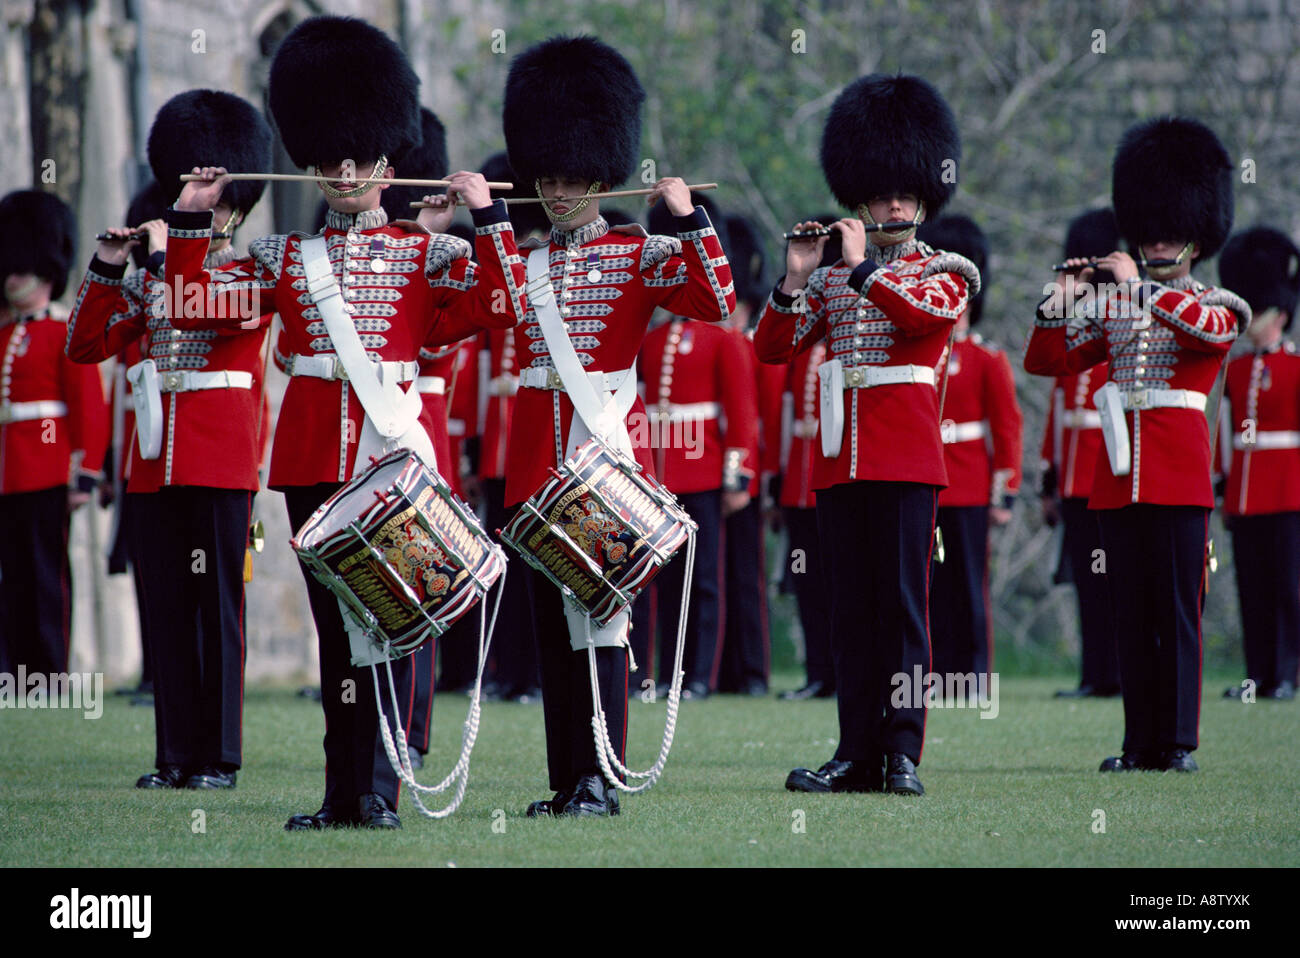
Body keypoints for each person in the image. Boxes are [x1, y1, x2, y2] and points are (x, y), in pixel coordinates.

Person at [164, 15, 526, 829]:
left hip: (389, 452)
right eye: (330, 159)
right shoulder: (286, 258)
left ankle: (381, 792)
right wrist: (191, 217)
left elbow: (499, 310)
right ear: (314, 163)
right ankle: (342, 794)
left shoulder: (425, 252)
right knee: (338, 634)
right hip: (310, 459)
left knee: (390, 620)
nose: (344, 172)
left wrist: (490, 221)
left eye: (358, 160)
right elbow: (190, 306)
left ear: (386, 164)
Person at [501, 34, 734, 817]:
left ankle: (601, 778)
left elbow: (715, 301)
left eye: (574, 176)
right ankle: (566, 779)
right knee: (551, 639)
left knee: (601, 628)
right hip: (536, 466)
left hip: (603, 456)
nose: (561, 190)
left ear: (601, 175)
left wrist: (689, 217)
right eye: (550, 177)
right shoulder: (527, 262)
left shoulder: (638, 254)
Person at [756, 74, 979, 796]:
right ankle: (855, 751)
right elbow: (771, 349)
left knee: (905, 614)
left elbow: (917, 319)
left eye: (905, 193)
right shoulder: (831, 277)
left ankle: (903, 751)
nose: (894, 203)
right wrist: (794, 280)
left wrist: (856, 269)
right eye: (882, 193)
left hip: (909, 463)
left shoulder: (945, 273)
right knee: (850, 617)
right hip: (840, 464)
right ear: (860, 196)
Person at [1025, 116, 1247, 773]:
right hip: (1119, 478)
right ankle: (1138, 741)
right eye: (1150, 228)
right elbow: (1048, 361)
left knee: (1176, 614)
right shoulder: (1119, 308)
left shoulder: (1219, 300)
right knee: (1131, 613)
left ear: (1197, 236)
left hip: (1178, 477)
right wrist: (1059, 299)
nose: (1157, 240)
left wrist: (1136, 289)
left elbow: (1206, 333)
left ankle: (1176, 741)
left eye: (1171, 229)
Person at [67, 90, 273, 791]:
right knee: (168, 615)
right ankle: (175, 756)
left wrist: (163, 257)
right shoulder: (153, 273)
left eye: (213, 204)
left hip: (219, 463)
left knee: (217, 612)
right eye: (189, 199)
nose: (201, 214)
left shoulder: (250, 274)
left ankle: (218, 758)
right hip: (155, 465)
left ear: (237, 210)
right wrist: (105, 266)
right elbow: (84, 345)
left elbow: (201, 311)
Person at [638, 197, 757, 699]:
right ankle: (655, 673)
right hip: (657, 475)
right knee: (655, 584)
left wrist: (736, 476)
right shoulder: (652, 338)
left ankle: (697, 676)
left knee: (703, 582)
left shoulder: (722, 338)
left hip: (704, 474)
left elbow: (741, 414)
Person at [0, 190, 108, 678]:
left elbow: (88, 406)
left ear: (45, 272)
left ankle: (48, 669)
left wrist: (84, 472)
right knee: (13, 578)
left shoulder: (64, 330)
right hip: (7, 474)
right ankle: (15, 670)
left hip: (46, 471)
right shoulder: (5, 332)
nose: (12, 277)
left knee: (46, 576)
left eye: (22, 269)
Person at [915, 214, 1022, 690]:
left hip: (973, 485)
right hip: (925, 479)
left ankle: (974, 673)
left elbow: (1007, 429)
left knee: (969, 586)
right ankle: (934, 671)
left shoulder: (987, 359)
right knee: (928, 586)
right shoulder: (923, 353)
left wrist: (1006, 490)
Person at [1035, 208, 1120, 698]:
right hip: (1073, 480)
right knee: (1088, 584)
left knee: (1112, 582)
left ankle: (1117, 674)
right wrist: (1048, 479)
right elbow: (1058, 413)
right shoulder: (1075, 332)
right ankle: (1094, 674)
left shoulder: (1120, 328)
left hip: (1108, 475)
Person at [1215, 226, 1300, 702]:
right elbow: (1225, 431)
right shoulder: (1237, 368)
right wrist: (1223, 482)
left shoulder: (1295, 367)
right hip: (1246, 491)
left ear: (1281, 314)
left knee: (1287, 588)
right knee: (1252, 589)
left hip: (1288, 489)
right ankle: (1257, 675)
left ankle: (1286, 673)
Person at [717, 211, 779, 697]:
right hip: (706, 467)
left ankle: (753, 669)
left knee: (745, 574)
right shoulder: (719, 340)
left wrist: (753, 474)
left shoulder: (754, 344)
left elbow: (763, 418)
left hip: (744, 469)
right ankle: (723, 668)